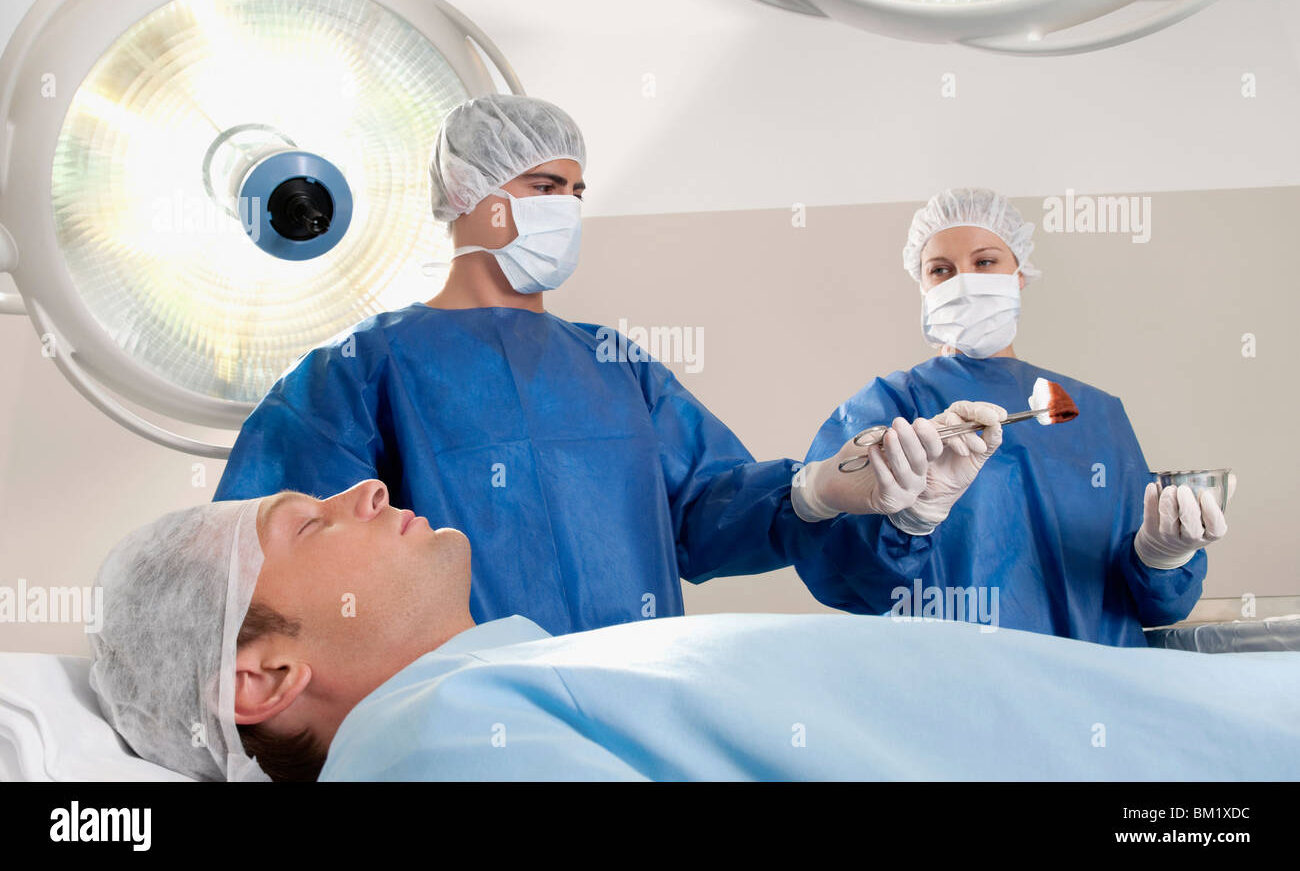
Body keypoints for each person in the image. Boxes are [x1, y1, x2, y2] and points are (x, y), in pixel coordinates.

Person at [213, 94, 957, 635]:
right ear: (471, 194)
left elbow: (703, 512)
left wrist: (816, 490)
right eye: (544, 187)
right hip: (463, 725)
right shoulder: (360, 371)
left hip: (633, 707)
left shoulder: (614, 365)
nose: (566, 208)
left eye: (575, 191)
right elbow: (261, 564)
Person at [87, 482, 1298, 783]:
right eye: (304, 524)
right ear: (265, 671)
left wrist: (816, 496)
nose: (356, 489)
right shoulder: (423, 739)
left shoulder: (510, 683)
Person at [794, 188, 1230, 647]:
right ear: (921, 285)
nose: (963, 282)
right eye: (941, 270)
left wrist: (1162, 557)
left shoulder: (1094, 413)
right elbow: (838, 575)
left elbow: (1155, 606)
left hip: (1092, 689)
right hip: (948, 686)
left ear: (1018, 274)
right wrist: (910, 523)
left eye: (985, 263)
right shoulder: (889, 408)